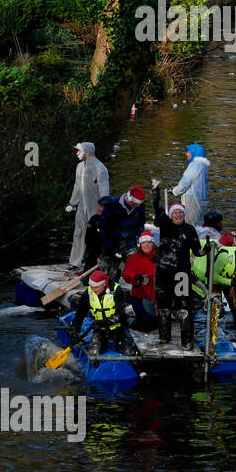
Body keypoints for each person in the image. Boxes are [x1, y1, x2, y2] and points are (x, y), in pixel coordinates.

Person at [152, 183, 201, 349]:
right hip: (163, 273)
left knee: (183, 308)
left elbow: (198, 251)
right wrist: (155, 192)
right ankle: (164, 338)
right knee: (164, 306)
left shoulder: (190, 230)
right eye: (175, 213)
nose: (178, 215)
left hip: (182, 275)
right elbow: (158, 210)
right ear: (171, 215)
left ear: (184, 215)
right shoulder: (165, 225)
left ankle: (187, 341)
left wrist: (206, 250)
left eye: (181, 213)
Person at [70, 269, 139, 356]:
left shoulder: (117, 291)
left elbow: (120, 315)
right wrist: (74, 332)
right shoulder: (88, 293)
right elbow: (80, 314)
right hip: (100, 330)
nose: (93, 290)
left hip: (117, 328)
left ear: (104, 284)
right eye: (91, 287)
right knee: (93, 354)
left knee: (129, 352)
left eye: (96, 287)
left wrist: (101, 323)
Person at [65, 141, 110, 271]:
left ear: (87, 151)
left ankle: (98, 261)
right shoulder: (79, 167)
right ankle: (75, 262)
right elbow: (77, 187)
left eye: (79, 151)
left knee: (96, 235)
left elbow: (104, 189)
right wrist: (72, 203)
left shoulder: (99, 168)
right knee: (78, 232)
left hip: (95, 208)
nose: (77, 153)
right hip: (82, 207)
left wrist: (103, 207)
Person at [97, 186, 148, 282]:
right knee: (109, 279)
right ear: (129, 199)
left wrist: (141, 239)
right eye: (136, 203)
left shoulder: (140, 206)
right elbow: (104, 230)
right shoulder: (112, 205)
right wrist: (108, 249)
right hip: (112, 245)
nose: (138, 206)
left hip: (130, 244)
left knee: (138, 273)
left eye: (139, 204)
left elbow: (141, 224)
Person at [121, 232, 159, 331]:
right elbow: (126, 274)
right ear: (140, 244)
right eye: (143, 242)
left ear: (154, 244)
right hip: (141, 297)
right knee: (147, 326)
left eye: (149, 242)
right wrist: (137, 278)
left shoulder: (160, 257)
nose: (146, 244)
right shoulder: (134, 258)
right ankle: (128, 319)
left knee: (160, 323)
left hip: (158, 295)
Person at [170, 143, 210, 225]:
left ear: (194, 153)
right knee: (199, 224)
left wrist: (175, 191)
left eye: (188, 152)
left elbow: (186, 182)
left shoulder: (195, 165)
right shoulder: (204, 166)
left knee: (190, 225)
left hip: (192, 200)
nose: (186, 154)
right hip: (202, 200)